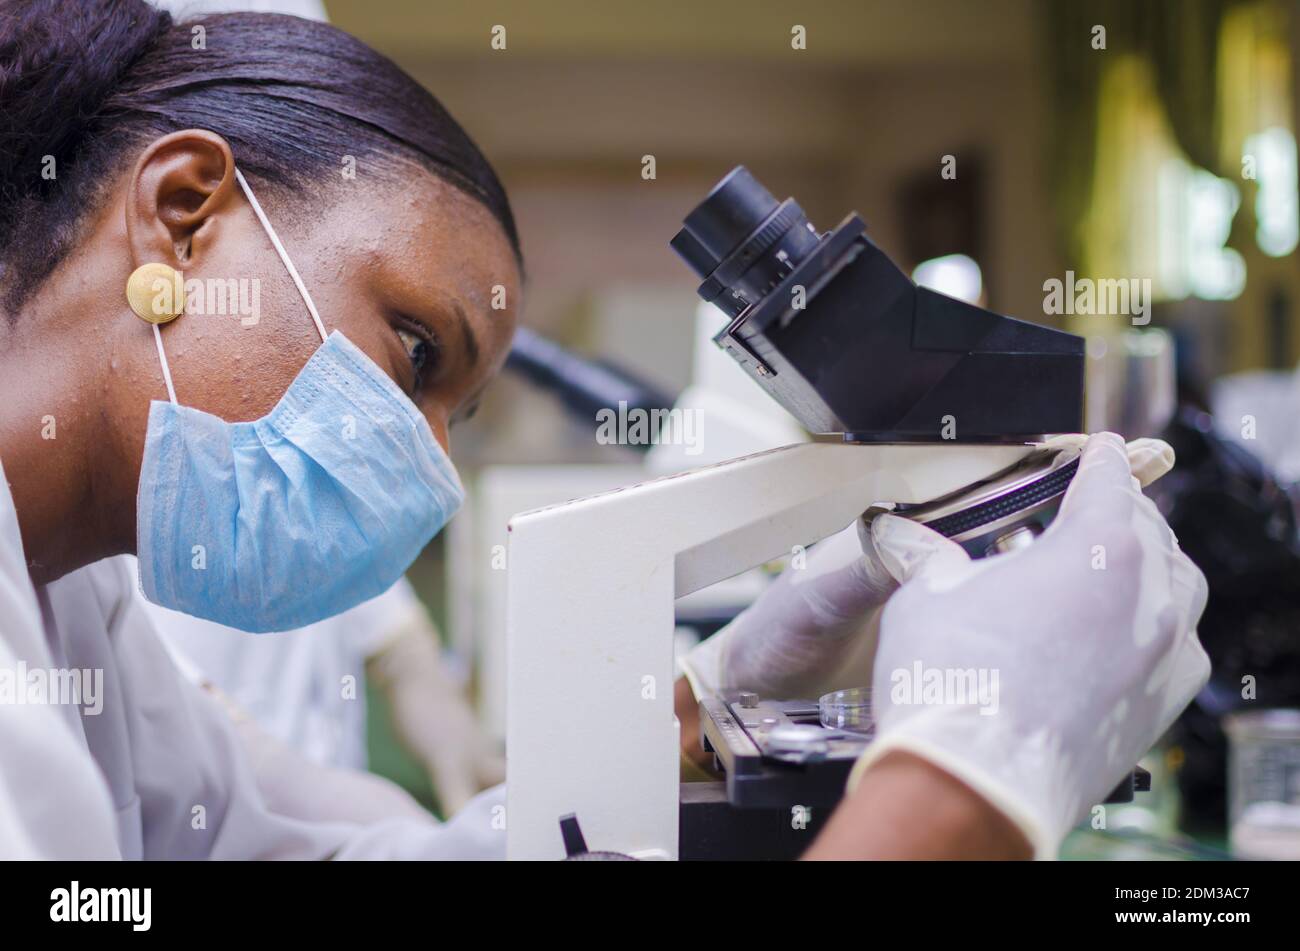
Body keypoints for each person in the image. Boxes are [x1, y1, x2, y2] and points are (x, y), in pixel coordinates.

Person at [0, 1, 1207, 860]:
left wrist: (703, 715)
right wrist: (968, 789)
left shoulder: (70, 608)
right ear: (183, 212)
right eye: (415, 350)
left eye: (453, 416)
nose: (422, 464)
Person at [140, 571, 504, 816]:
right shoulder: (125, 566)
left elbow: (399, 648)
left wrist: (457, 753)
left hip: (343, 826)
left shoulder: (319, 496)